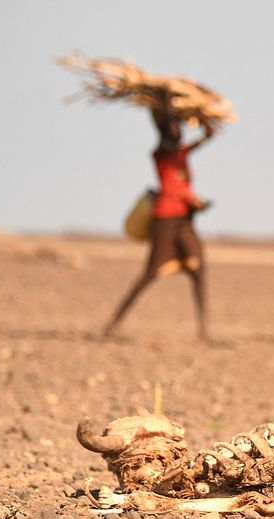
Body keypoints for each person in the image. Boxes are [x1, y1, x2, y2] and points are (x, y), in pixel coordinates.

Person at [103, 103, 215, 342]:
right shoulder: (161, 154)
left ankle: (204, 331)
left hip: (185, 220)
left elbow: (207, 137)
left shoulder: (182, 153)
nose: (177, 132)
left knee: (198, 268)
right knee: (151, 272)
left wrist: (207, 122)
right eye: (173, 129)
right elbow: (170, 134)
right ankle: (113, 323)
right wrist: (166, 101)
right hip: (165, 219)